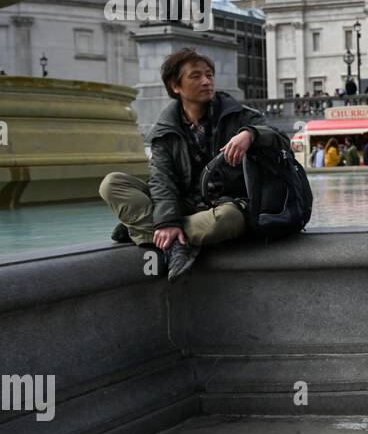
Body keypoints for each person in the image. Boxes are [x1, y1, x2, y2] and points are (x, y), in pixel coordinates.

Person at [98, 48, 287, 281]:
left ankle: (145, 230)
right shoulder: (164, 131)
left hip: (229, 206)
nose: (206, 81)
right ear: (175, 86)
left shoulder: (237, 115)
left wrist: (251, 134)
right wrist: (167, 220)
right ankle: (175, 242)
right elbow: (162, 181)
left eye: (209, 75)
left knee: (226, 219)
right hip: (185, 206)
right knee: (112, 184)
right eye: (196, 76)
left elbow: (280, 138)